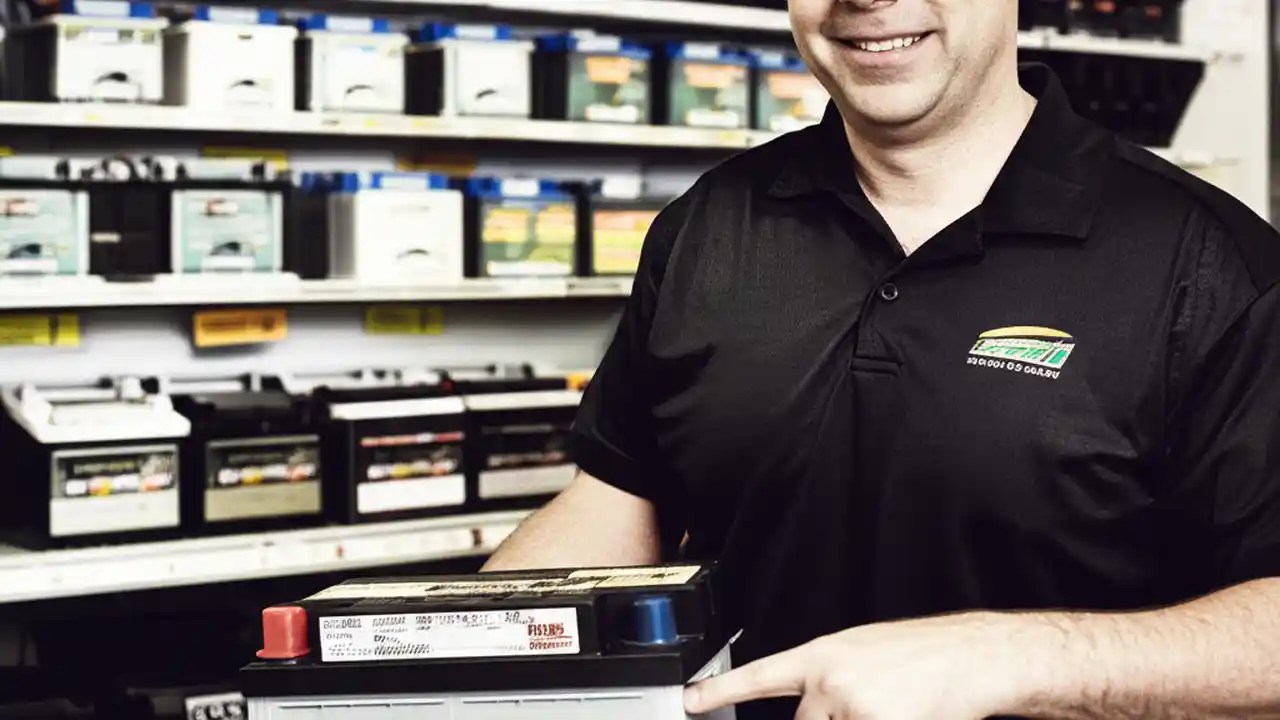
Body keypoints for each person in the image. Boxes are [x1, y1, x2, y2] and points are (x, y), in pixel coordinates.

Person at [486, 0, 1280, 717]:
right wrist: (447, 640)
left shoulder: (1210, 264)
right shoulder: (708, 225)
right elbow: (625, 496)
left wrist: (1009, 658)